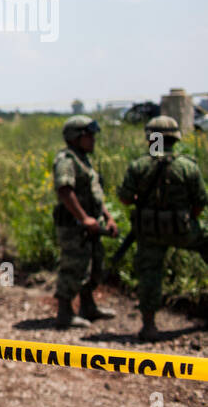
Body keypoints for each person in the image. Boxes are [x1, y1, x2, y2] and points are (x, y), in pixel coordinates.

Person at [117, 115, 208, 341]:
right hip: (183, 230)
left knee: (150, 274)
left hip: (149, 232)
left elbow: (125, 198)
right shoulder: (187, 166)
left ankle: (149, 326)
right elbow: (200, 202)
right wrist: (186, 220)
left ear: (151, 139)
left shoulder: (139, 166)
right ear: (175, 139)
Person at [51, 115, 119, 328]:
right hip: (74, 227)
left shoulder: (83, 159)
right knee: (74, 266)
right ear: (75, 138)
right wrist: (84, 218)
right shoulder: (66, 160)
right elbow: (65, 191)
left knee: (94, 266)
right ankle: (64, 313)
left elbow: (94, 193)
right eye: (88, 136)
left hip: (91, 225)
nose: (93, 140)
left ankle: (88, 306)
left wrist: (107, 217)